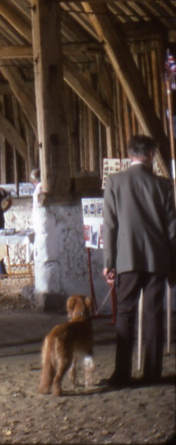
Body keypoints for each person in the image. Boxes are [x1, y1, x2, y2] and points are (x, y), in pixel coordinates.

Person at [102, 134, 176, 388]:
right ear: (151, 155)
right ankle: (152, 373)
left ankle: (122, 374)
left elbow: (110, 225)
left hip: (127, 258)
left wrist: (109, 261)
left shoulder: (115, 182)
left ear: (130, 154)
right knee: (155, 315)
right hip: (158, 259)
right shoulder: (164, 185)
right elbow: (172, 230)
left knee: (125, 314)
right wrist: (173, 264)